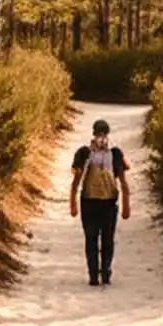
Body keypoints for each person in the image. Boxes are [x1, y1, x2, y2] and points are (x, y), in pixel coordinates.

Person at [70, 119, 131, 286]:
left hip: (109, 203)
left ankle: (105, 272)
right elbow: (76, 180)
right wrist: (73, 204)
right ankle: (92, 274)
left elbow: (123, 181)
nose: (102, 138)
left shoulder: (115, 154)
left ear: (108, 136)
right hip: (89, 203)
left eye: (104, 135)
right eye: (99, 134)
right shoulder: (84, 154)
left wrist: (126, 207)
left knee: (108, 239)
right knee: (90, 238)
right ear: (94, 135)